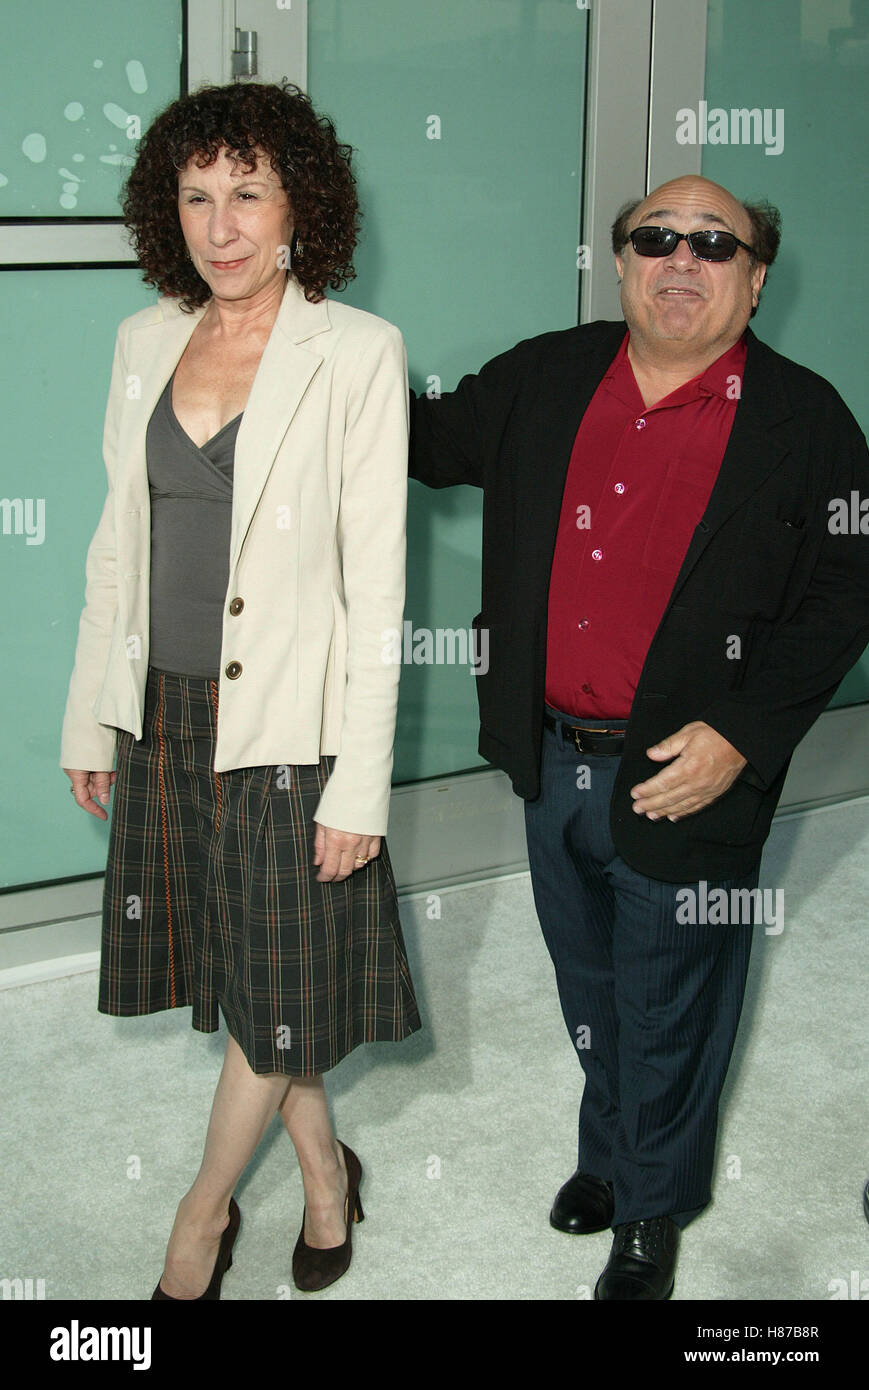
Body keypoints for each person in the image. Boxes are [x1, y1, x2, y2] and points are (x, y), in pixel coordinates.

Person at [409, 174, 869, 1299]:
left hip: (687, 772)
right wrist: (300, 336)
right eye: (653, 237)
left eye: (714, 244)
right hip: (547, 752)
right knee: (587, 980)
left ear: (753, 282)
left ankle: (650, 1209)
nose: (680, 258)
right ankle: (606, 1157)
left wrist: (741, 735)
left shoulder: (803, 422)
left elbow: (846, 590)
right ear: (616, 263)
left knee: (667, 998)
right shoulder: (545, 377)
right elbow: (418, 437)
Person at [60, 80, 420, 1300]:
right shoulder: (142, 339)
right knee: (261, 975)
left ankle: (197, 1220)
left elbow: (378, 592)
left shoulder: (356, 351)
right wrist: (88, 714)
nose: (222, 227)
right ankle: (326, 1179)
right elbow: (116, 544)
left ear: (296, 206)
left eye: (248, 194)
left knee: (269, 980)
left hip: (286, 726)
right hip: (161, 706)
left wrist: (357, 784)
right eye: (197, 197)